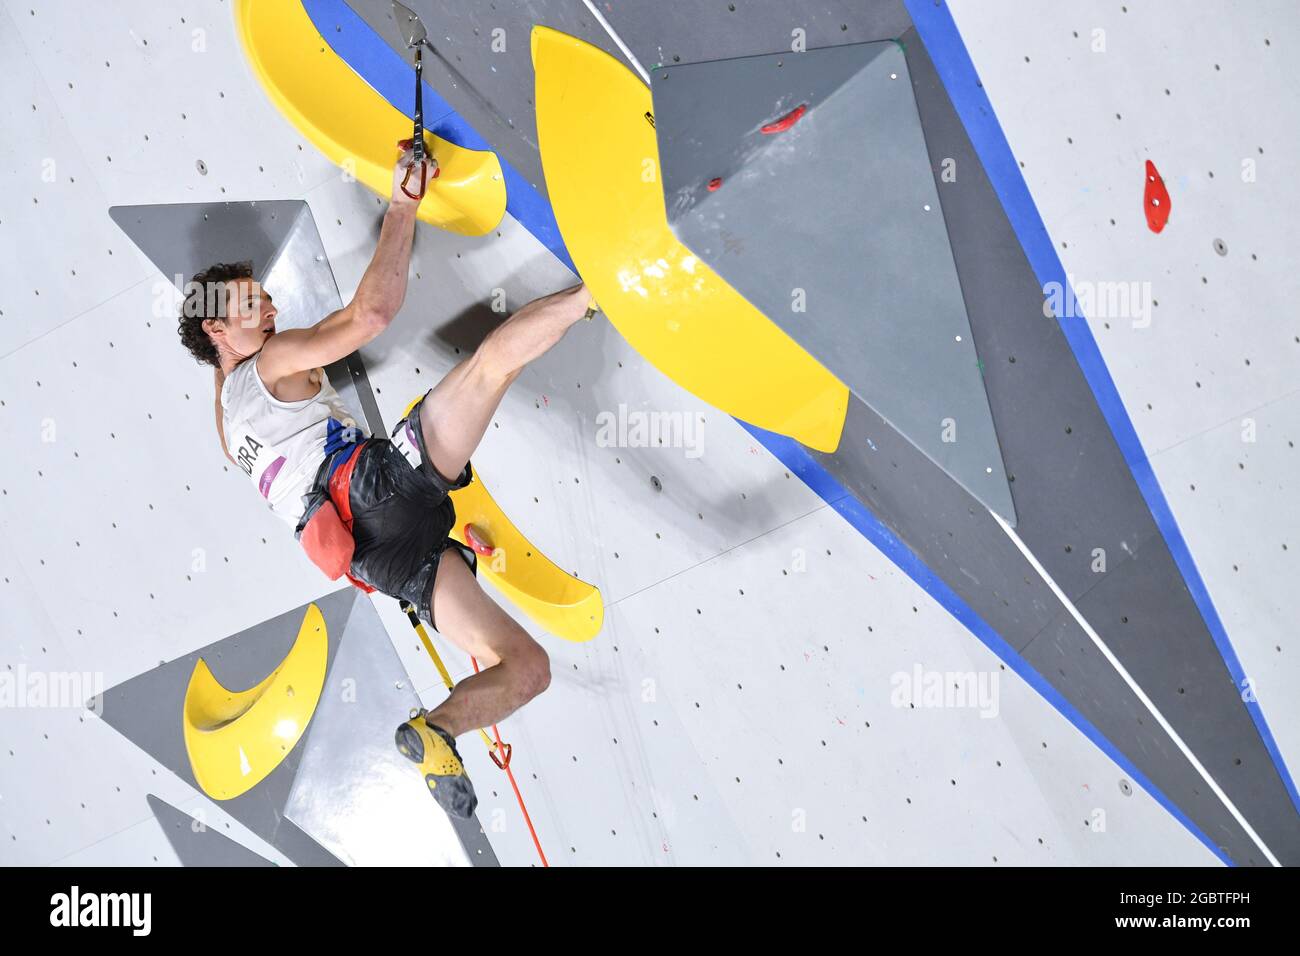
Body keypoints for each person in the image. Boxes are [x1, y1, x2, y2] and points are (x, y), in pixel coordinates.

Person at [176, 143, 594, 818]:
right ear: (218, 326)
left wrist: (220, 346)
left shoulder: (227, 430)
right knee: (488, 367)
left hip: (376, 558)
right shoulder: (274, 361)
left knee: (526, 668)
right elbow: (369, 317)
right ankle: (595, 293)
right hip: (373, 491)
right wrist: (403, 201)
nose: (274, 308)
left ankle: (439, 729)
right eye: (254, 303)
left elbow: (226, 372)